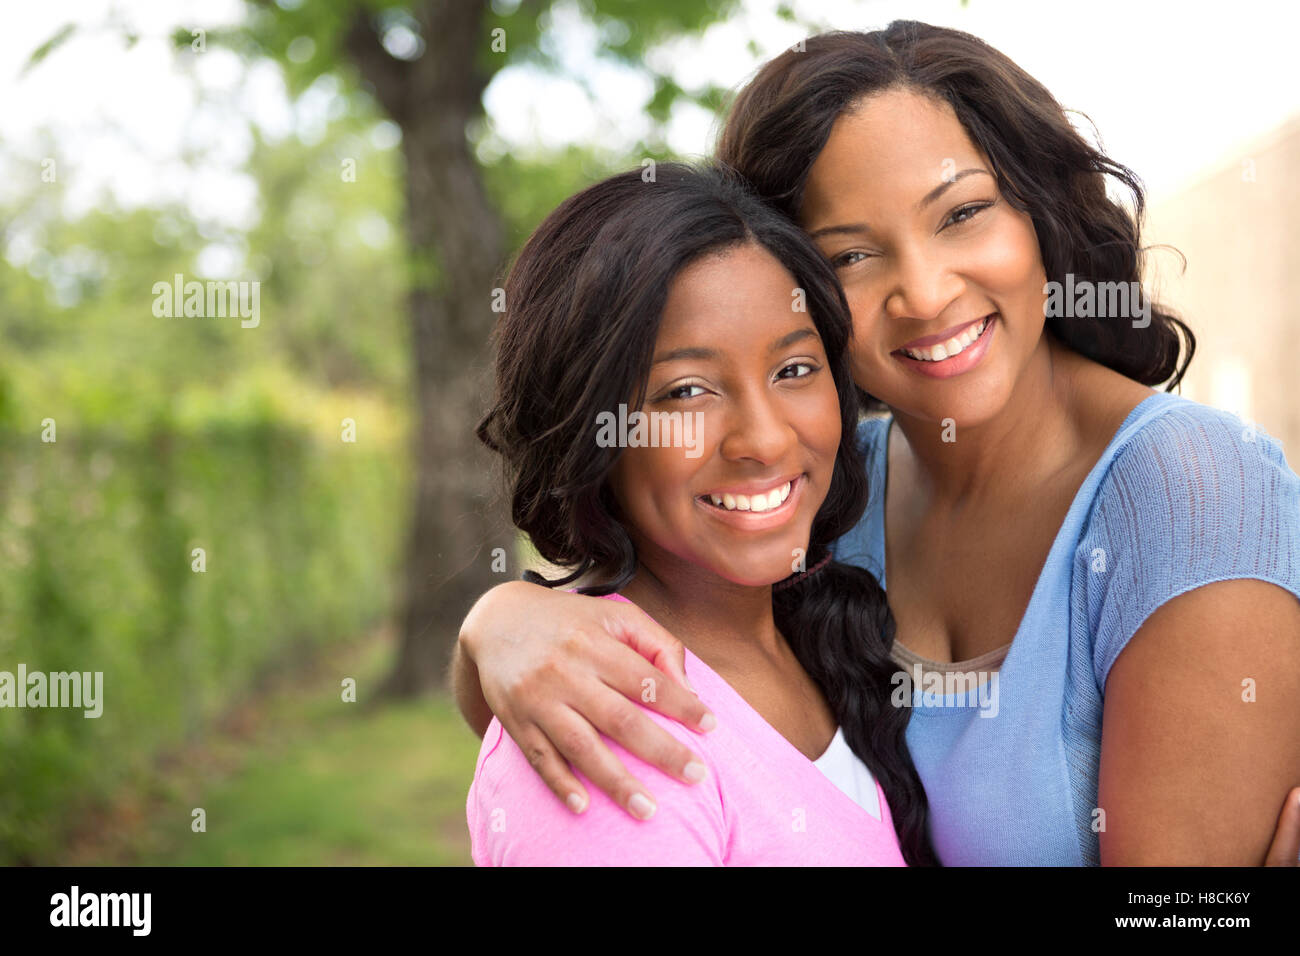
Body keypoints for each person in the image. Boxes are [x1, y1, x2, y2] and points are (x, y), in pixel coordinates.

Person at [455, 22, 1300, 865]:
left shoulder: (1194, 491)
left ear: (1039, 214)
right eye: (852, 255)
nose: (926, 295)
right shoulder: (825, 493)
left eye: (963, 213)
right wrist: (497, 626)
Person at [468, 162, 927, 865]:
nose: (766, 439)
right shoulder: (606, 726)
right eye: (685, 391)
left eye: (794, 370)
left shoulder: (818, 632)